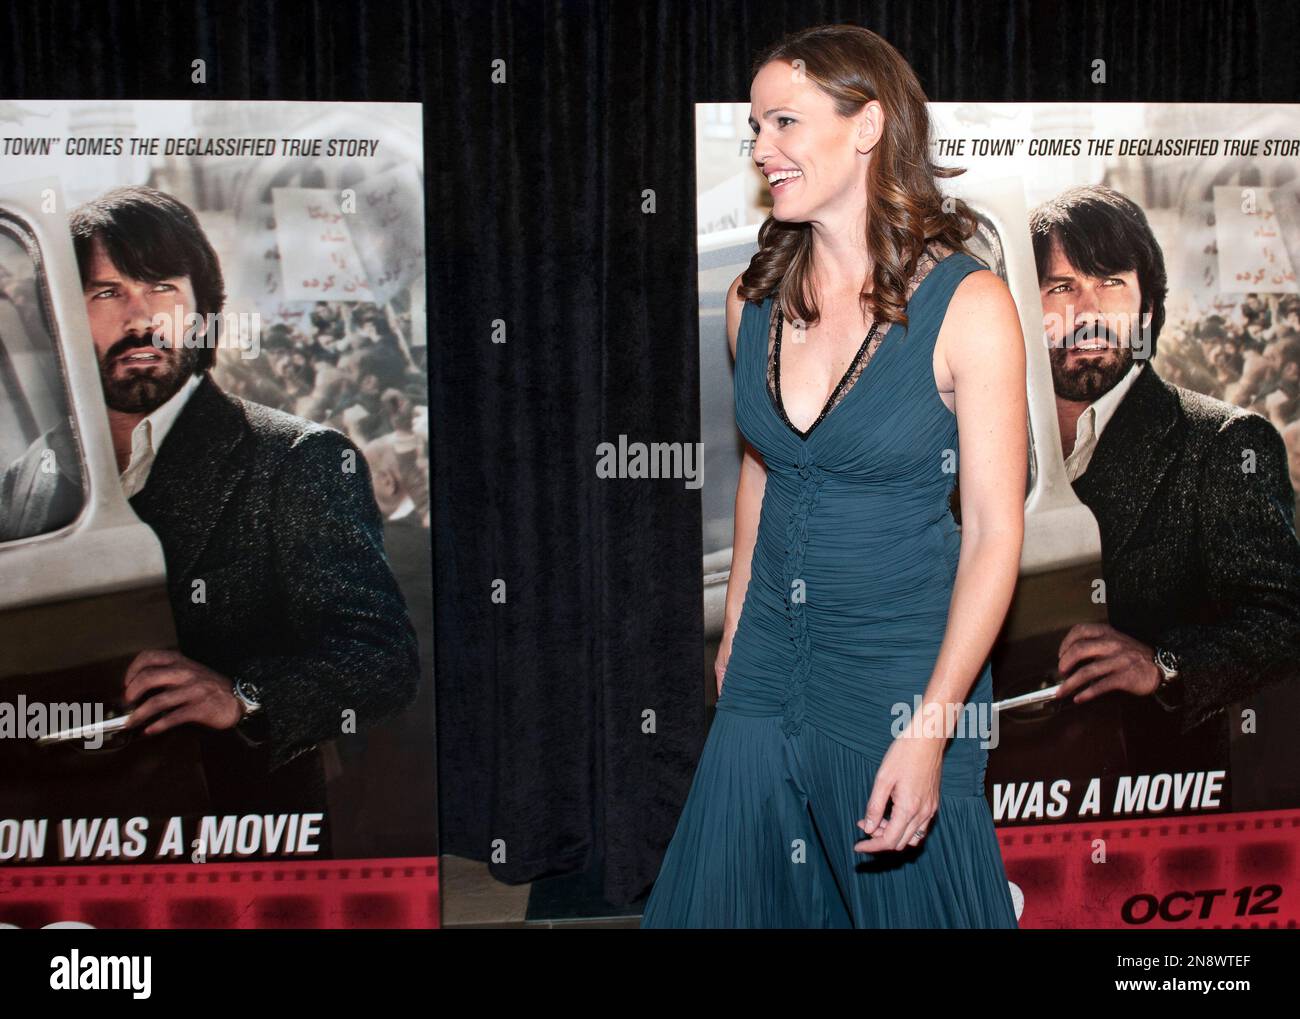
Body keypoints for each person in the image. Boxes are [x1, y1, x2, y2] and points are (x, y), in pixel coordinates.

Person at [642, 25, 1026, 928]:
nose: (762, 149)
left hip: (902, 674)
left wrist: (932, 728)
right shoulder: (752, 304)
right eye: (754, 128)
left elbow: (996, 532)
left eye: (784, 121)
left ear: (867, 128)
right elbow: (764, 471)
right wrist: (737, 619)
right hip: (768, 665)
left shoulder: (969, 306)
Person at [17, 184, 420, 826]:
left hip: (235, 838)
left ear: (204, 309)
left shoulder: (295, 458)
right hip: (61, 830)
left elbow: (382, 659)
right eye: (106, 292)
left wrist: (244, 696)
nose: (140, 318)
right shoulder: (24, 477)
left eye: (163, 289)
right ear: (62, 313)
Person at [1034, 185, 1300, 791]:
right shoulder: (985, 445)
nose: (1088, 312)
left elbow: (1283, 620)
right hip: (1007, 785)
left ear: (1147, 308)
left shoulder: (1226, 444)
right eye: (1061, 287)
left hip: (1158, 795)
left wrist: (1165, 665)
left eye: (1112, 283)